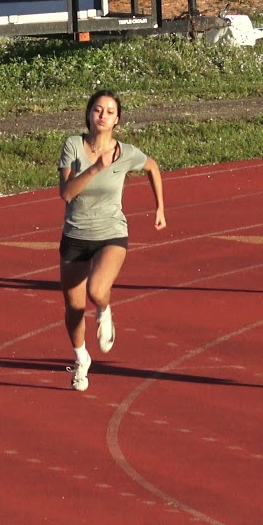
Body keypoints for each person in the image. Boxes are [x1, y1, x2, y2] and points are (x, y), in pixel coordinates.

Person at [58, 90, 166, 391]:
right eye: (97, 109)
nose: (102, 115)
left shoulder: (126, 152)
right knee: (73, 308)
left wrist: (159, 208)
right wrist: (96, 168)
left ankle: (104, 311)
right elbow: (67, 193)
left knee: (96, 290)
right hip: (75, 234)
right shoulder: (72, 146)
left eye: (109, 111)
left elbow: (152, 167)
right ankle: (81, 359)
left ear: (118, 119)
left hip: (111, 233)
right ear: (89, 114)